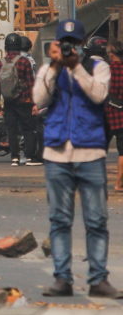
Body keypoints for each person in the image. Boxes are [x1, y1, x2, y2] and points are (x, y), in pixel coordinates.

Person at [32, 19, 120, 298]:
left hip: (91, 152)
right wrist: (57, 67)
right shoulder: (49, 69)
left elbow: (98, 95)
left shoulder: (98, 67)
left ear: (82, 44)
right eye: (64, 42)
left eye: (74, 43)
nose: (70, 47)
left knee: (96, 220)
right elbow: (40, 99)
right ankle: (62, 278)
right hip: (57, 153)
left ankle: (98, 279)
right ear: (56, 44)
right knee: (59, 220)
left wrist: (76, 67)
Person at [0, 33, 40, 166]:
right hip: (24, 101)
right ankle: (29, 157)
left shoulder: (0, 63)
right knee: (28, 129)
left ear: (6, 47)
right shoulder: (24, 61)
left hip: (9, 102)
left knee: (12, 130)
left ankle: (14, 158)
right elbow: (31, 83)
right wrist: (34, 103)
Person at [107, 41, 123, 192]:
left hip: (106, 113)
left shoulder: (107, 70)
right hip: (122, 115)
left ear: (112, 55)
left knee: (98, 149)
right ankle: (119, 183)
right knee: (122, 151)